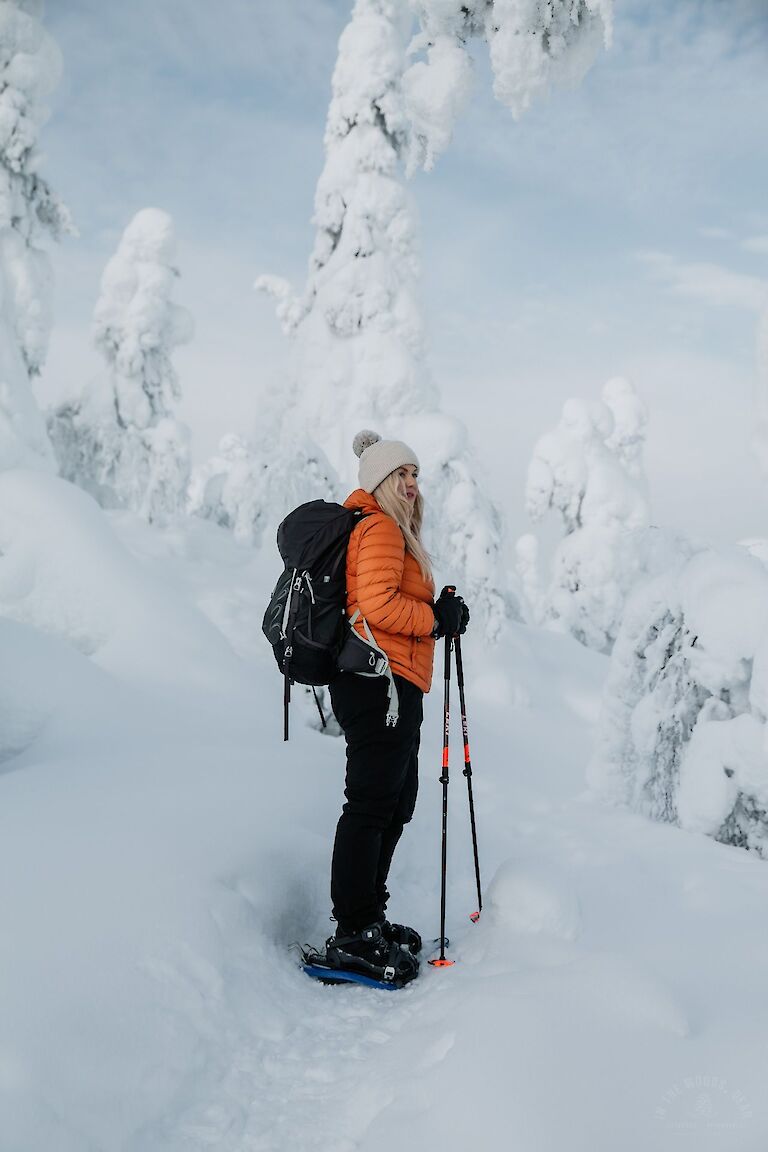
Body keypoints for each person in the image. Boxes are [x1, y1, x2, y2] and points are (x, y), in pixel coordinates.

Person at [322, 429, 469, 987]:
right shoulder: (380, 527)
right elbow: (378, 603)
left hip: (393, 683)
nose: (411, 484)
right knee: (370, 804)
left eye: (414, 475)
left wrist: (437, 606)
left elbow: (385, 596)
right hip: (375, 683)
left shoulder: (390, 530)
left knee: (394, 801)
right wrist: (435, 620)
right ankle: (352, 932)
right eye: (401, 476)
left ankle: (369, 920)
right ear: (379, 482)